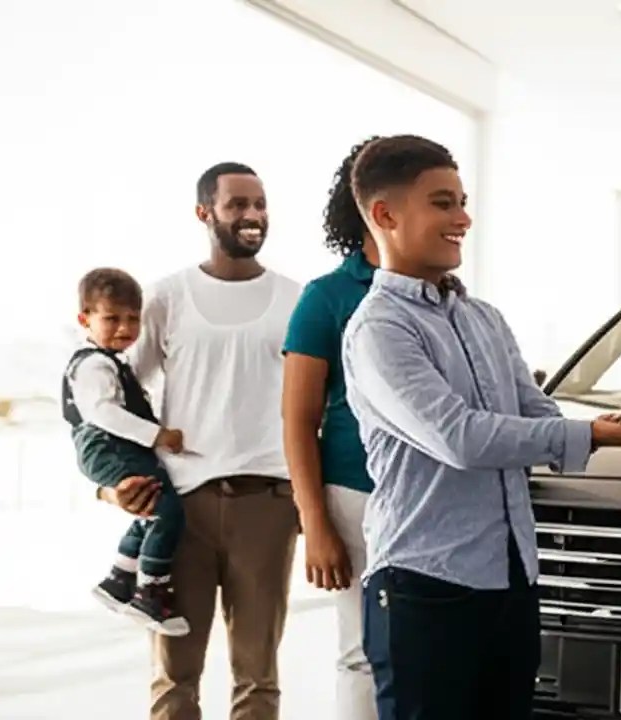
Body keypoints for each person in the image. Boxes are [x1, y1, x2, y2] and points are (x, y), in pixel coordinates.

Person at [341, 134, 621, 719]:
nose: (463, 219)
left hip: (510, 579)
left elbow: (535, 411)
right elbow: (462, 438)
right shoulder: (379, 329)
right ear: (385, 214)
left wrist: (592, 427)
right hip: (426, 587)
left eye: (463, 201)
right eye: (443, 203)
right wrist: (590, 435)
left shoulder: (482, 318)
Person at [127, 161, 303, 720]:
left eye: (260, 204)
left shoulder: (295, 301)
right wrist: (116, 484)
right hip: (182, 507)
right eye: (238, 205)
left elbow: (315, 411)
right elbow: (119, 398)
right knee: (174, 675)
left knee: (258, 675)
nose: (253, 216)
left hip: (269, 506)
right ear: (205, 213)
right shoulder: (165, 298)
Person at [281, 136, 383, 720]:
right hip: (353, 496)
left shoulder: (446, 294)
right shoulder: (325, 298)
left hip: (430, 499)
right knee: (362, 653)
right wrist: (315, 523)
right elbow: (298, 421)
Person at [66, 267, 190, 637]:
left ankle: (120, 578)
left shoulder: (110, 361)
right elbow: (103, 412)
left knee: (151, 506)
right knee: (168, 511)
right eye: (111, 318)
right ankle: (151, 591)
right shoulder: (93, 364)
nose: (124, 327)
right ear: (84, 319)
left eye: (133, 318)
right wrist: (158, 435)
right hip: (106, 445)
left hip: (109, 445)